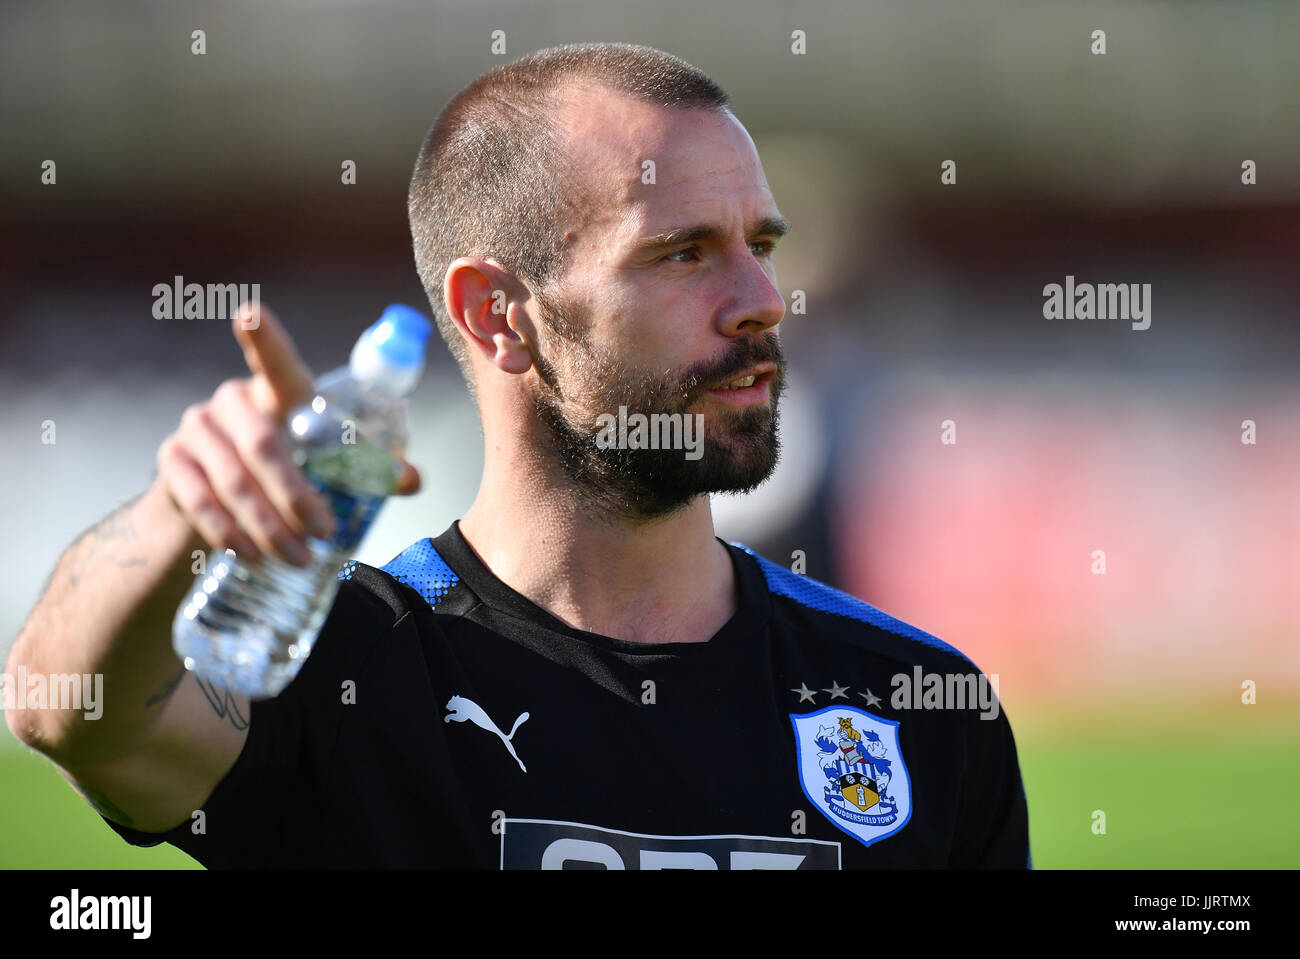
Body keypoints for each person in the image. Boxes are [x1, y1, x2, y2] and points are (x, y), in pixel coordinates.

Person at [5, 42, 1029, 869]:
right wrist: (180, 510)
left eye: (758, 245)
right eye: (681, 253)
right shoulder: (348, 670)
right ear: (500, 316)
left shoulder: (914, 697)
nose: (762, 300)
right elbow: (65, 710)